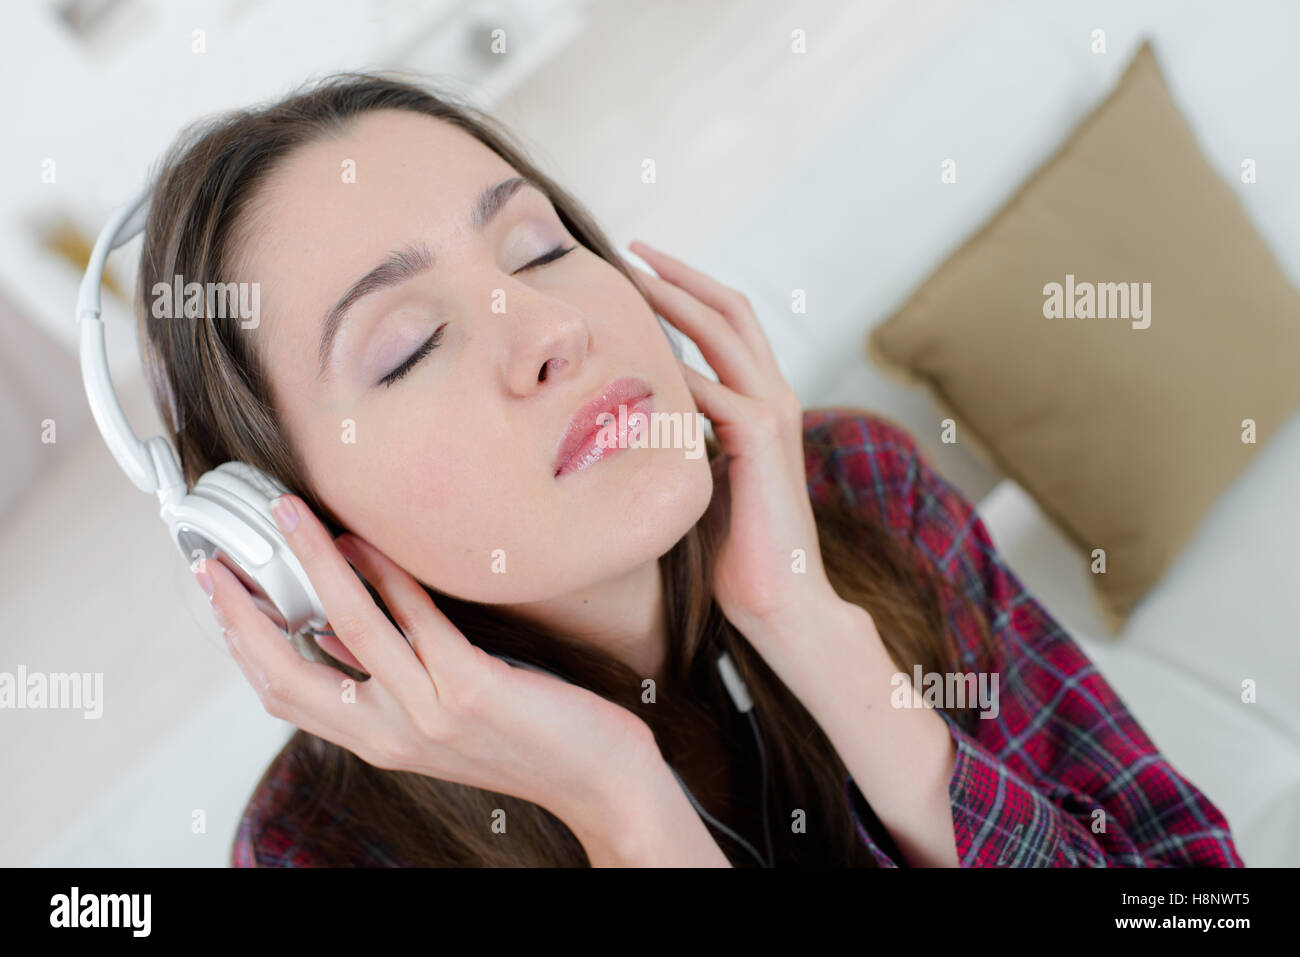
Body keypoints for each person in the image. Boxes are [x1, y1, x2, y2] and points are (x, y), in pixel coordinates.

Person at [137, 73, 1243, 867]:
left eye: (538, 249)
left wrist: (812, 629)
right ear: (286, 534)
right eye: (408, 346)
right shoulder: (317, 850)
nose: (549, 330)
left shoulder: (850, 487)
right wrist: (622, 808)